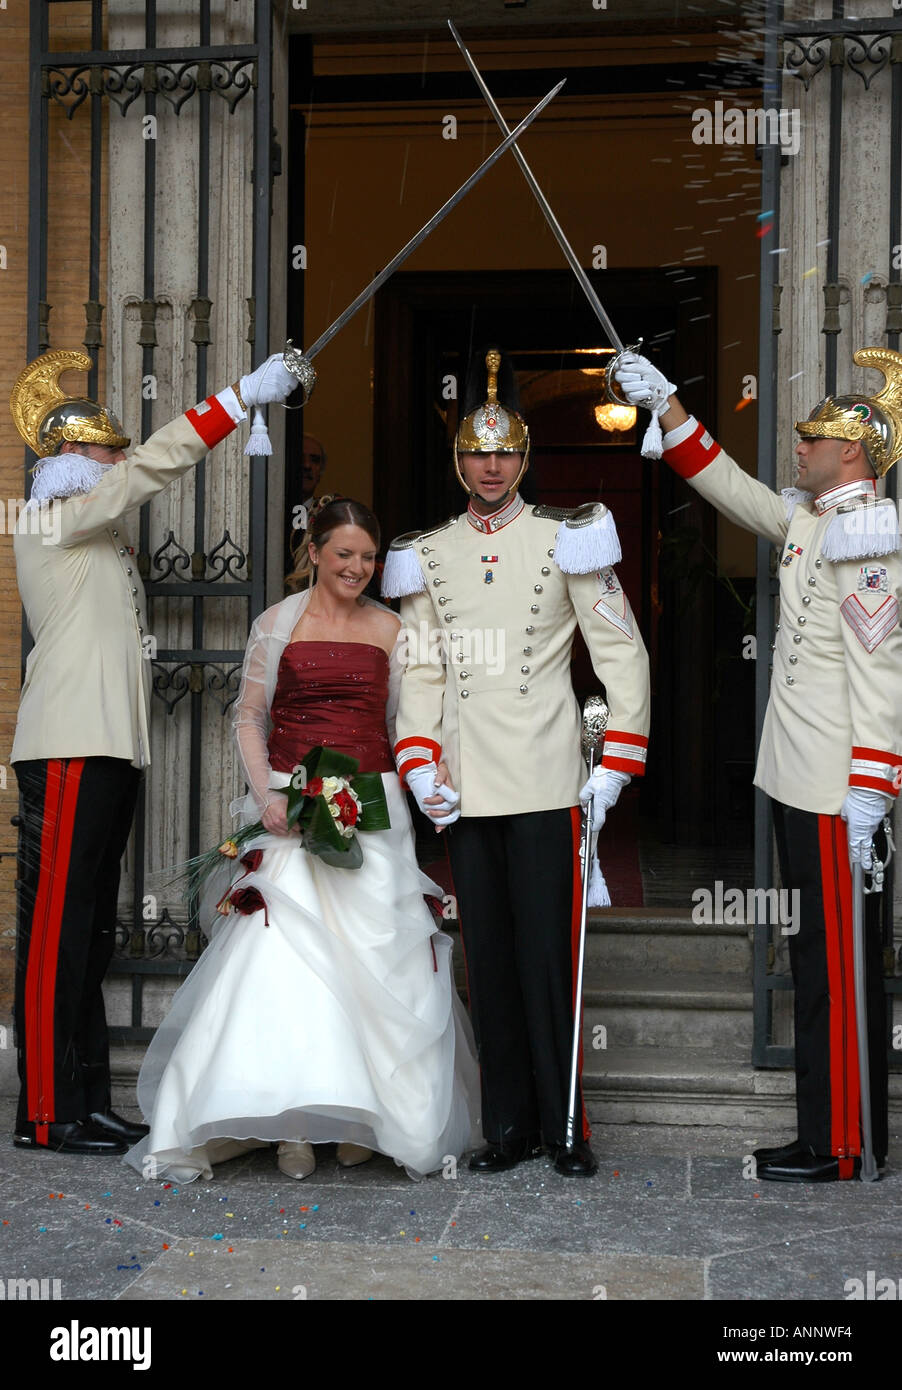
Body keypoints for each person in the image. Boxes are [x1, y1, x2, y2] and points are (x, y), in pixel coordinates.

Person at [126, 497, 480, 1183]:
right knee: (280, 960)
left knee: (382, 961)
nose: (357, 567)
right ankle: (290, 1121)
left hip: (373, 803)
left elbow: (411, 720)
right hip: (290, 801)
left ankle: (367, 1121)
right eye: (344, 553)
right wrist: (269, 797)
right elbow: (249, 717)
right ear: (314, 550)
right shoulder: (276, 623)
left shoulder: (392, 628)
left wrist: (426, 781)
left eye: (368, 557)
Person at [613, 345, 902, 1182]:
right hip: (795, 777)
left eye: (812, 438)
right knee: (812, 958)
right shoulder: (813, 521)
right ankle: (820, 1131)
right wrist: (669, 406)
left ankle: (846, 1146)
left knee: (839, 972)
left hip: (837, 791)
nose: (799, 449)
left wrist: (872, 790)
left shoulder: (869, 537)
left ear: (851, 451)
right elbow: (732, 487)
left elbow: (882, 676)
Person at [9, 346, 300, 1156]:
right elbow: (150, 471)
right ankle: (43, 1110)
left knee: (90, 932)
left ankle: (84, 1098)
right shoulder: (54, 518)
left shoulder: (99, 539)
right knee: (56, 937)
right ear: (70, 460)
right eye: (107, 451)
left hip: (105, 750)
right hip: (70, 747)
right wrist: (237, 398)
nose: (119, 462)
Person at [383, 346, 651, 1177]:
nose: (490, 465)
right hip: (465, 784)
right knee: (489, 962)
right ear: (458, 460)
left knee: (548, 958)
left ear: (523, 458)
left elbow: (623, 652)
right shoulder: (425, 551)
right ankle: (508, 1127)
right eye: (476, 452)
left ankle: (567, 1127)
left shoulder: (569, 536)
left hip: (544, 778)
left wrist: (614, 763)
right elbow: (421, 664)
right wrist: (420, 759)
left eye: (503, 452)